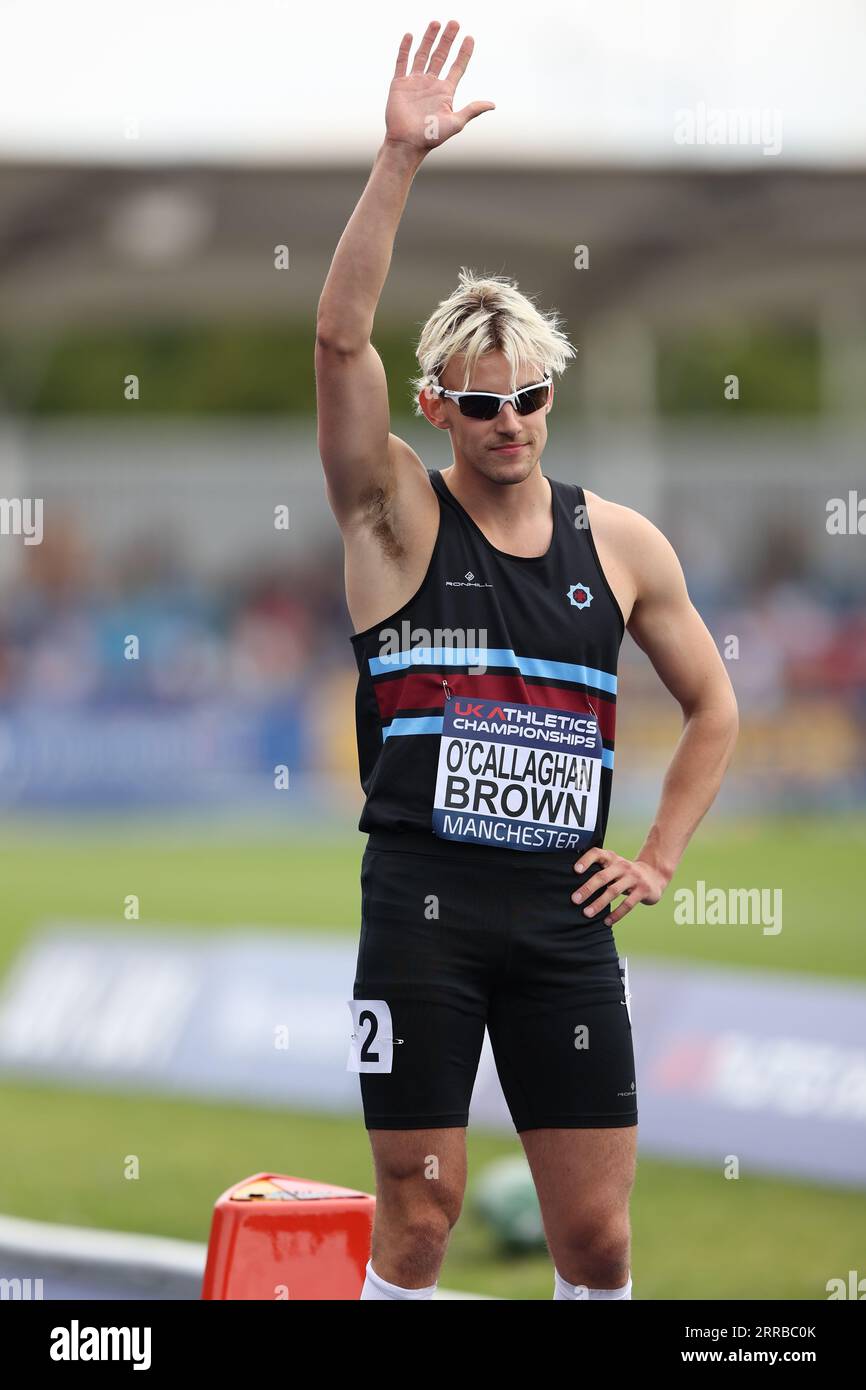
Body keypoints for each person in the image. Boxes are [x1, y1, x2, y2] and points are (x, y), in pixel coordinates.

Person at [315, 19, 739, 1302]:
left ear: (551, 396)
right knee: (422, 1225)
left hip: (563, 917)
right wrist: (399, 160)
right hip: (421, 912)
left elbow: (715, 704)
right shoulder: (391, 514)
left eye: (528, 398)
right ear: (437, 406)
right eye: (480, 402)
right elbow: (340, 347)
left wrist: (659, 852)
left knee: (597, 1243)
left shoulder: (618, 542)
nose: (508, 423)